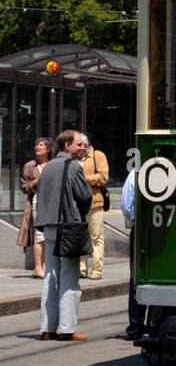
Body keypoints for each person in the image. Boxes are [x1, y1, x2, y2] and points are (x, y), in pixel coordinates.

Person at [36, 130, 93, 341]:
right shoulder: (73, 166)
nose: (82, 148)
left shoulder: (48, 166)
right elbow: (85, 196)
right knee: (69, 277)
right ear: (67, 145)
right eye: (78, 145)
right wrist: (80, 215)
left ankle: (47, 328)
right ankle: (67, 329)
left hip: (49, 226)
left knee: (50, 276)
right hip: (68, 226)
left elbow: (41, 194)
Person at [16, 138, 55, 277]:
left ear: (49, 149)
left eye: (41, 145)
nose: (37, 147)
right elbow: (23, 186)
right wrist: (35, 182)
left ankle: (46, 266)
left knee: (49, 234)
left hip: (53, 201)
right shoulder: (29, 165)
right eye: (36, 145)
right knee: (39, 235)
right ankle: (38, 267)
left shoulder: (53, 164)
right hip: (37, 199)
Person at [118, 167, 144, 341]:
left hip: (142, 229)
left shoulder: (137, 172)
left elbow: (126, 206)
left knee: (137, 278)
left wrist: (136, 219)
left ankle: (136, 327)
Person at [77, 134, 108, 280]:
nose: (78, 147)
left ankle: (97, 269)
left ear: (86, 145)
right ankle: (81, 269)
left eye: (80, 144)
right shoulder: (74, 157)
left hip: (94, 202)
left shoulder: (97, 155)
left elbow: (103, 177)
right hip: (76, 204)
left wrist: (83, 179)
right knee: (80, 237)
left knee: (96, 237)